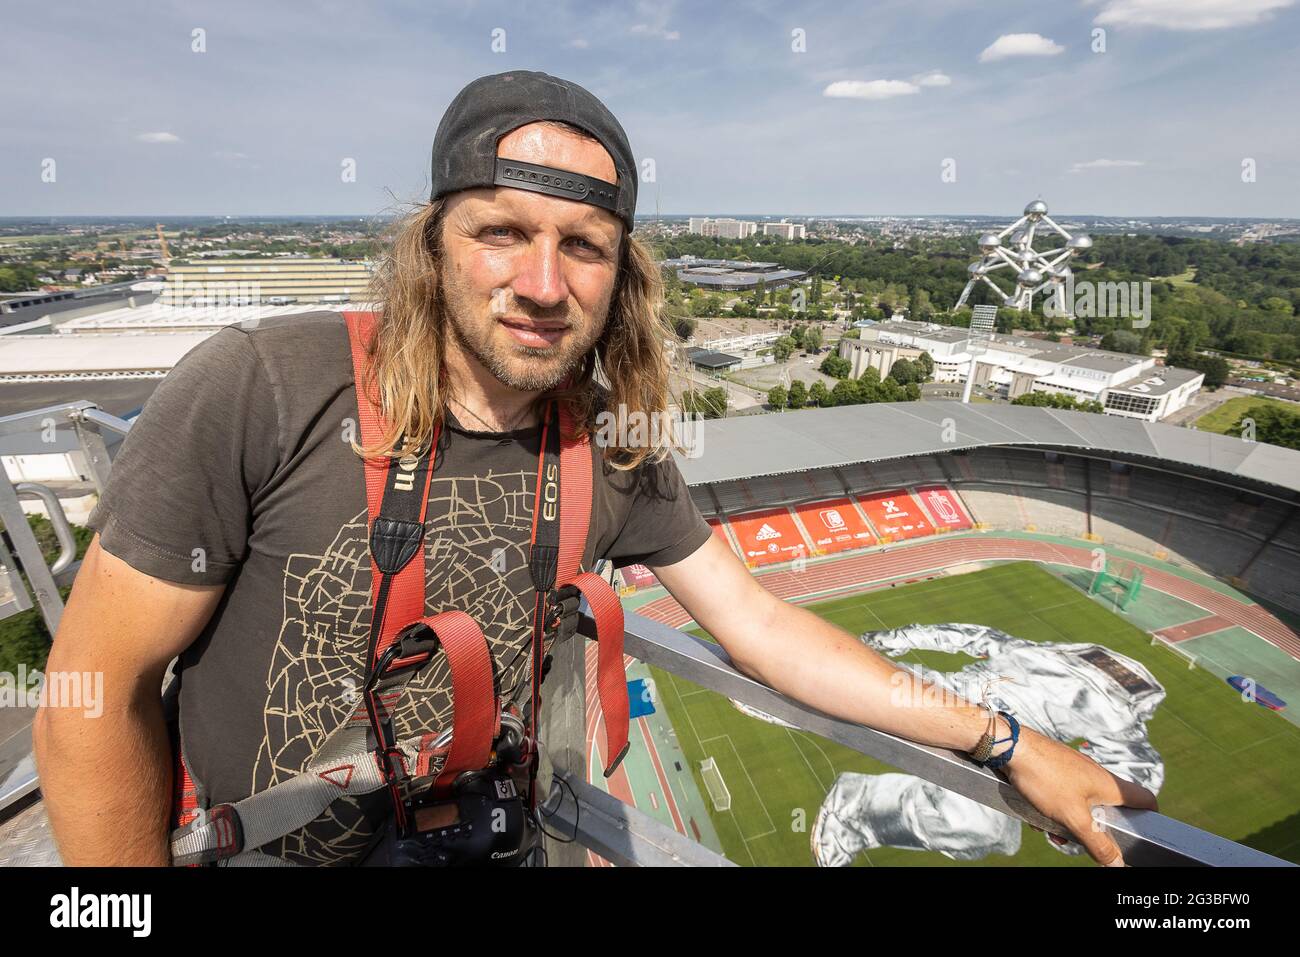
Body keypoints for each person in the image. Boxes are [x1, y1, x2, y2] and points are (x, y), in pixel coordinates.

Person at [33, 70, 1155, 867]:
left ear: (621, 277)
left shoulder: (608, 440)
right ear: (430, 246)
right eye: (500, 232)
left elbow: (759, 628)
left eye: (584, 246)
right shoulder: (263, 387)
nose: (540, 282)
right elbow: (94, 694)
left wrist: (1005, 742)